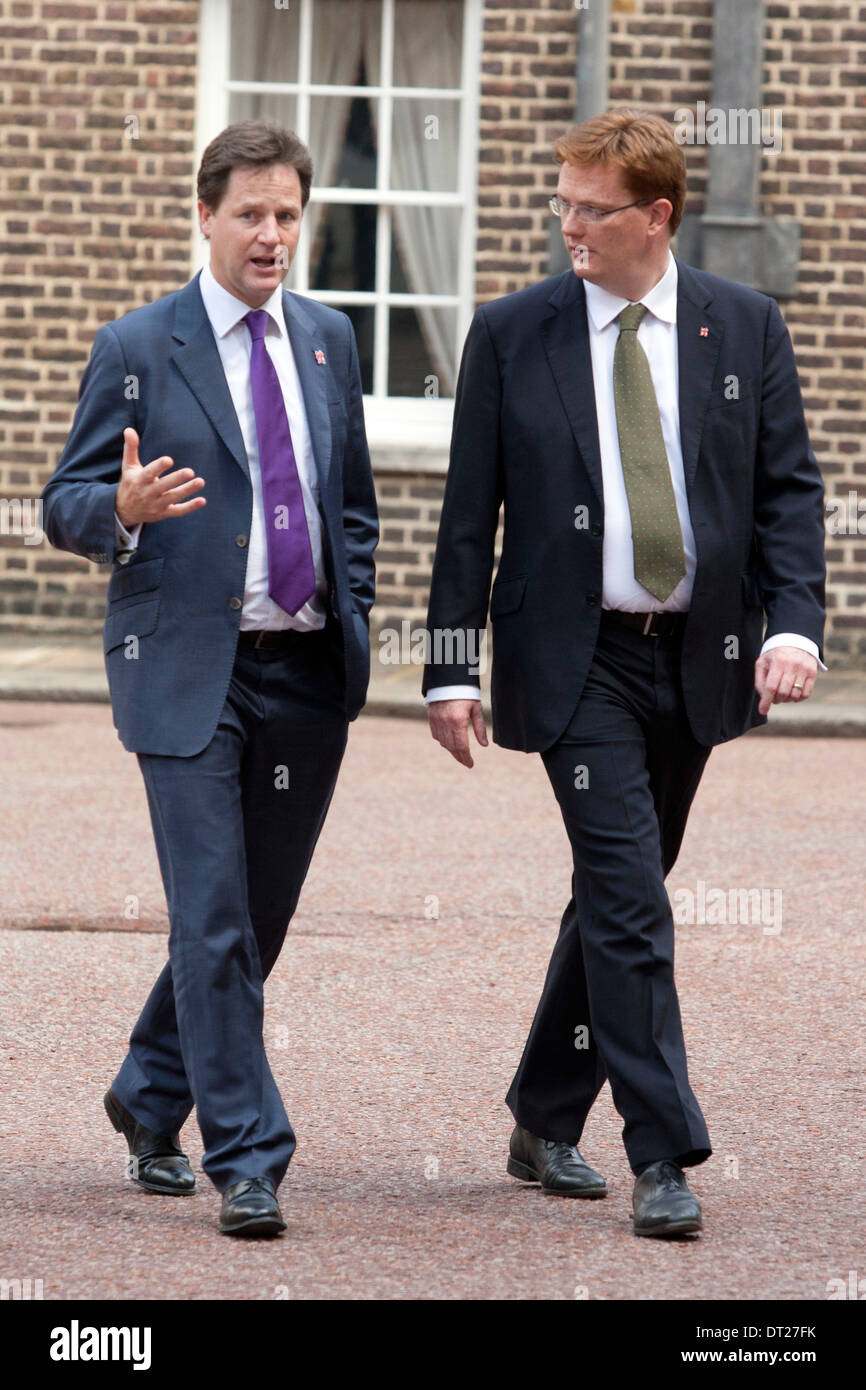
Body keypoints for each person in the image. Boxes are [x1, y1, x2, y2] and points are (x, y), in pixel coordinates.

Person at [422, 109, 825, 1238]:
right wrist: (447, 669)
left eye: (588, 208)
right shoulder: (512, 333)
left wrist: (792, 625)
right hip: (574, 657)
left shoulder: (742, 328)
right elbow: (467, 523)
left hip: (699, 662)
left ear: (654, 216)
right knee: (632, 899)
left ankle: (542, 1110)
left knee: (613, 901)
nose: (567, 226)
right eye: (560, 203)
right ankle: (662, 1150)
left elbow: (786, 491)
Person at [42, 121, 378, 1238]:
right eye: (250, 213)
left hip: (303, 672)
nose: (271, 233)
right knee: (214, 914)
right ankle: (248, 1158)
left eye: (287, 213)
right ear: (206, 215)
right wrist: (118, 513)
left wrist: (355, 606)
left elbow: (353, 504)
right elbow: (65, 501)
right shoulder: (138, 345)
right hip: (187, 673)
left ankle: (146, 1094)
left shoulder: (329, 340)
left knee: (251, 922)